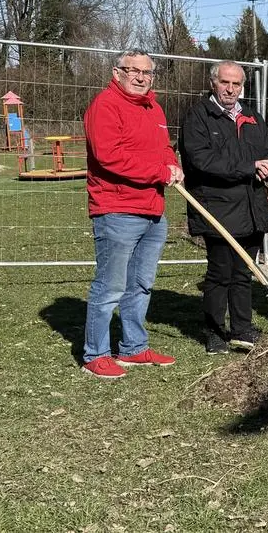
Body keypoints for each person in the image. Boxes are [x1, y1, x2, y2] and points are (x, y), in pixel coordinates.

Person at [80, 49, 182, 379]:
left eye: (147, 72)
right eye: (133, 70)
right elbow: (109, 157)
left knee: (141, 283)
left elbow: (165, 147)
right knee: (110, 286)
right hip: (117, 208)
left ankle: (133, 348)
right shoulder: (105, 106)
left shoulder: (154, 107)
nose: (140, 77)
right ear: (117, 72)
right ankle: (95, 353)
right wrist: (157, 171)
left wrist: (174, 166)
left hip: (153, 208)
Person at [179, 60, 268, 354]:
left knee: (243, 273)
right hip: (218, 208)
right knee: (220, 273)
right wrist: (250, 167)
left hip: (251, 208)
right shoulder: (199, 117)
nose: (231, 89)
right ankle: (214, 332)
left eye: (236, 84)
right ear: (213, 83)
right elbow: (202, 160)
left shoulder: (251, 116)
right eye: (225, 82)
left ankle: (242, 329)